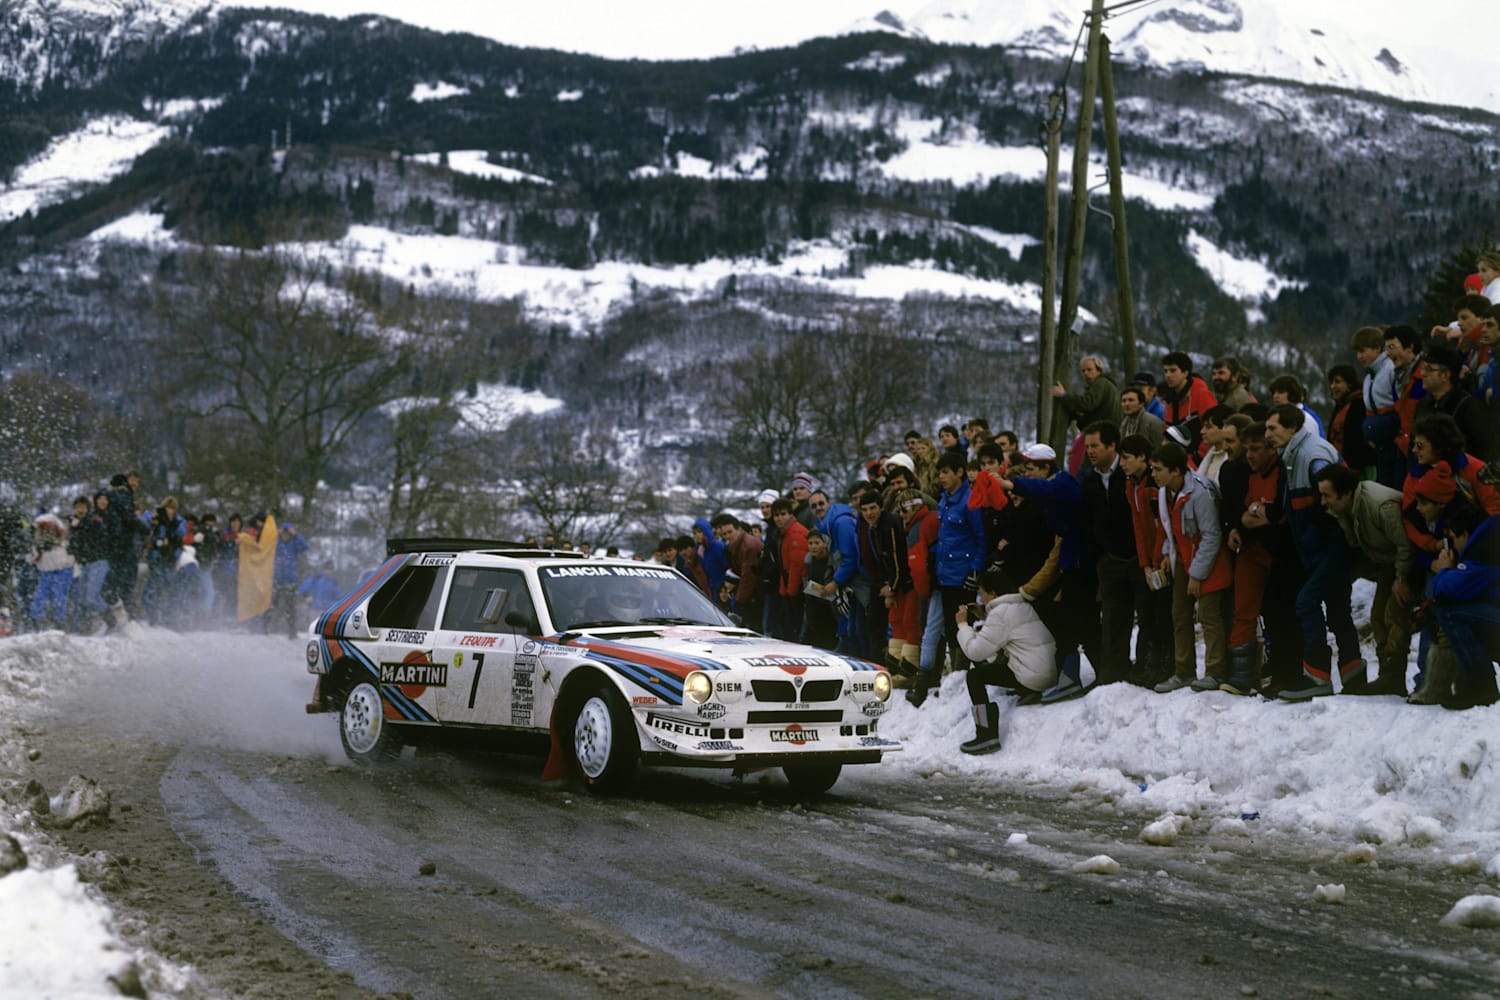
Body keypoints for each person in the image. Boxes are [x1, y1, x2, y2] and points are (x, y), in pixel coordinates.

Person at [1266, 405, 1364, 700]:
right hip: (1318, 548)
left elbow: (1336, 501)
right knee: (1337, 611)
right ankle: (1354, 677)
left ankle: (1317, 676)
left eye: (1273, 428)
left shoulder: (1313, 454)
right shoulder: (1292, 455)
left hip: (1332, 546)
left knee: (1307, 602)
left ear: (1293, 427)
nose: (1268, 433)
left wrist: (1340, 543)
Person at [1314, 464, 1414, 696]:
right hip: (1390, 562)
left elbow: (1404, 545)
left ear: (1346, 493)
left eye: (1327, 495)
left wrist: (1401, 578)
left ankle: (1393, 676)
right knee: (1378, 615)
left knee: (1394, 613)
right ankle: (1389, 672)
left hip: (1409, 562)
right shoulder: (1345, 510)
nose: (1323, 502)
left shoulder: (1379, 506)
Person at [1149, 442, 1233, 693]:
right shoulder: (1166, 491)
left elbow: (1211, 536)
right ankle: (1183, 671)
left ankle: (1215, 671)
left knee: (1209, 617)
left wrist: (1197, 575)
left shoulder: (1199, 493)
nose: (1153, 474)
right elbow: (1170, 527)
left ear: (1175, 471)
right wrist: (1167, 553)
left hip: (1208, 561)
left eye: (1158, 469)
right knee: (1180, 617)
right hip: (1184, 559)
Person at [955, 567, 1058, 755]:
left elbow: (975, 652)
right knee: (1000, 661)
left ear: (993, 594)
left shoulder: (1000, 614)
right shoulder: (1020, 605)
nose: (981, 598)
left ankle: (986, 736)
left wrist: (962, 625)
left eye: (982, 593)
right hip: (1047, 674)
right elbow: (1007, 632)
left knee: (975, 676)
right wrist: (984, 616)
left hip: (1033, 677)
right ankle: (1026, 690)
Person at [1428, 500, 1500, 709]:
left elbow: (1447, 590)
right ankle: (1474, 683)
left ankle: (1481, 687)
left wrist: (1444, 570)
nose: (1454, 545)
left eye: (1453, 539)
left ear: (1465, 535)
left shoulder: (1485, 548)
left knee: (1451, 614)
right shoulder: (1490, 538)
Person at [1080, 421, 1136, 688]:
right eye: (1087, 446)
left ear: (1111, 445)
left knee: (1146, 617)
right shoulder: (1089, 480)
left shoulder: (1128, 475)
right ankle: (1112, 673)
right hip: (1108, 559)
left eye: (1095, 445)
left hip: (1137, 556)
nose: (1090, 451)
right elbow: (1087, 523)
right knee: (1113, 619)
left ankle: (1146, 669)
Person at [1052, 355, 1121, 474]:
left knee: (1085, 472)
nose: (1086, 374)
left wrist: (1064, 396)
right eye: (1083, 371)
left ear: (1099, 370)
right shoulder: (1107, 386)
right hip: (1105, 435)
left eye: (1089, 370)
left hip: (1099, 436)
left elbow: (1087, 404)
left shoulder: (1101, 383)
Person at [1353, 325, 1403, 490]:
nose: (1359, 357)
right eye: (1357, 352)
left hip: (1393, 442)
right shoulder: (1369, 377)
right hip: (1379, 444)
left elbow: (1400, 406)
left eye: (1363, 351)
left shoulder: (1390, 370)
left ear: (1376, 348)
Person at [1158, 352, 1219, 458]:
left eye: (1173, 370)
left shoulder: (1202, 395)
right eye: (1165, 371)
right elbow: (1168, 434)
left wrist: (1197, 458)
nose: (1168, 375)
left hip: (1200, 460)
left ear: (1185, 373)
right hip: (1177, 460)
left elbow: (1214, 430)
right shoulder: (1170, 400)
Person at [710, 514, 764, 630]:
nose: (728, 536)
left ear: (738, 529)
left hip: (756, 594)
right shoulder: (735, 545)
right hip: (751, 593)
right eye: (724, 534)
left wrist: (738, 600)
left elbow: (748, 577)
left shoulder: (747, 546)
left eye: (730, 532)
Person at [26, 512, 73, 631]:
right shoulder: (37, 541)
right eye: (42, 527)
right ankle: (36, 623)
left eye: (48, 527)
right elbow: (32, 559)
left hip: (62, 569)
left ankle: (60, 624)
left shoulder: (63, 537)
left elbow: (67, 552)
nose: (46, 530)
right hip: (45, 571)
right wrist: (37, 553)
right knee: (39, 597)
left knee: (59, 597)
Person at [770, 498, 808, 642]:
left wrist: (790, 592)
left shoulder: (794, 533)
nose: (779, 518)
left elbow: (796, 565)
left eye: (783, 514)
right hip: (790, 583)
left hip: (798, 588)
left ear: (790, 514)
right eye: (776, 515)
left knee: (795, 624)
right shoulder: (785, 532)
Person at [237, 513, 278, 626]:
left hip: (253, 569)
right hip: (258, 570)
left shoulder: (264, 533)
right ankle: (254, 623)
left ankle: (258, 623)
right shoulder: (259, 532)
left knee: (258, 595)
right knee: (259, 595)